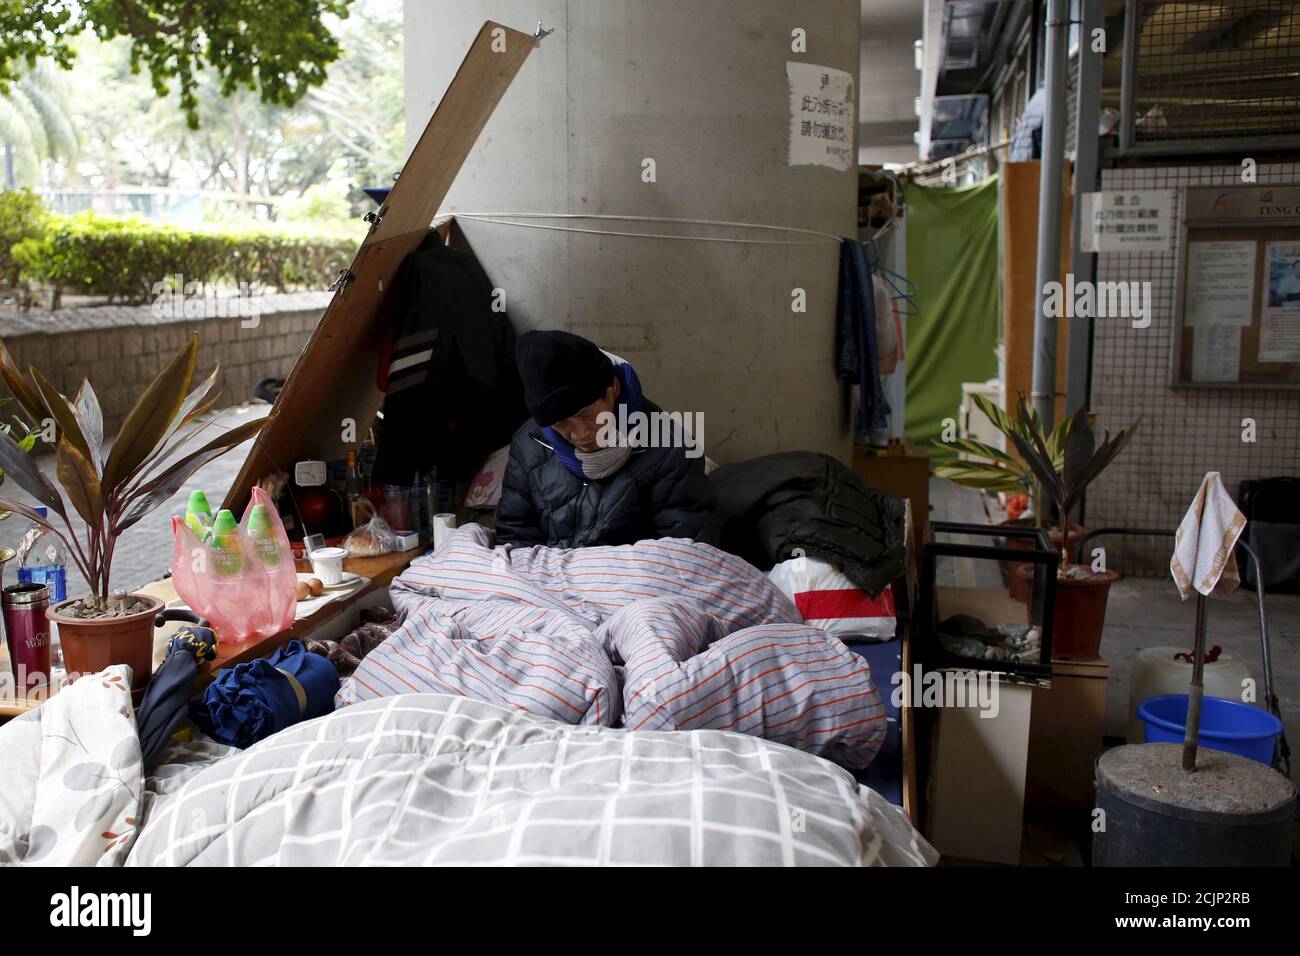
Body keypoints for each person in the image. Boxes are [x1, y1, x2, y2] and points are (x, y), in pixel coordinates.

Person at [496, 330, 718, 548]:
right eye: (561, 423)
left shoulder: (670, 448)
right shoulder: (529, 444)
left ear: (614, 387)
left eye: (587, 415)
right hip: (547, 582)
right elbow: (515, 538)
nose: (580, 434)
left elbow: (687, 555)